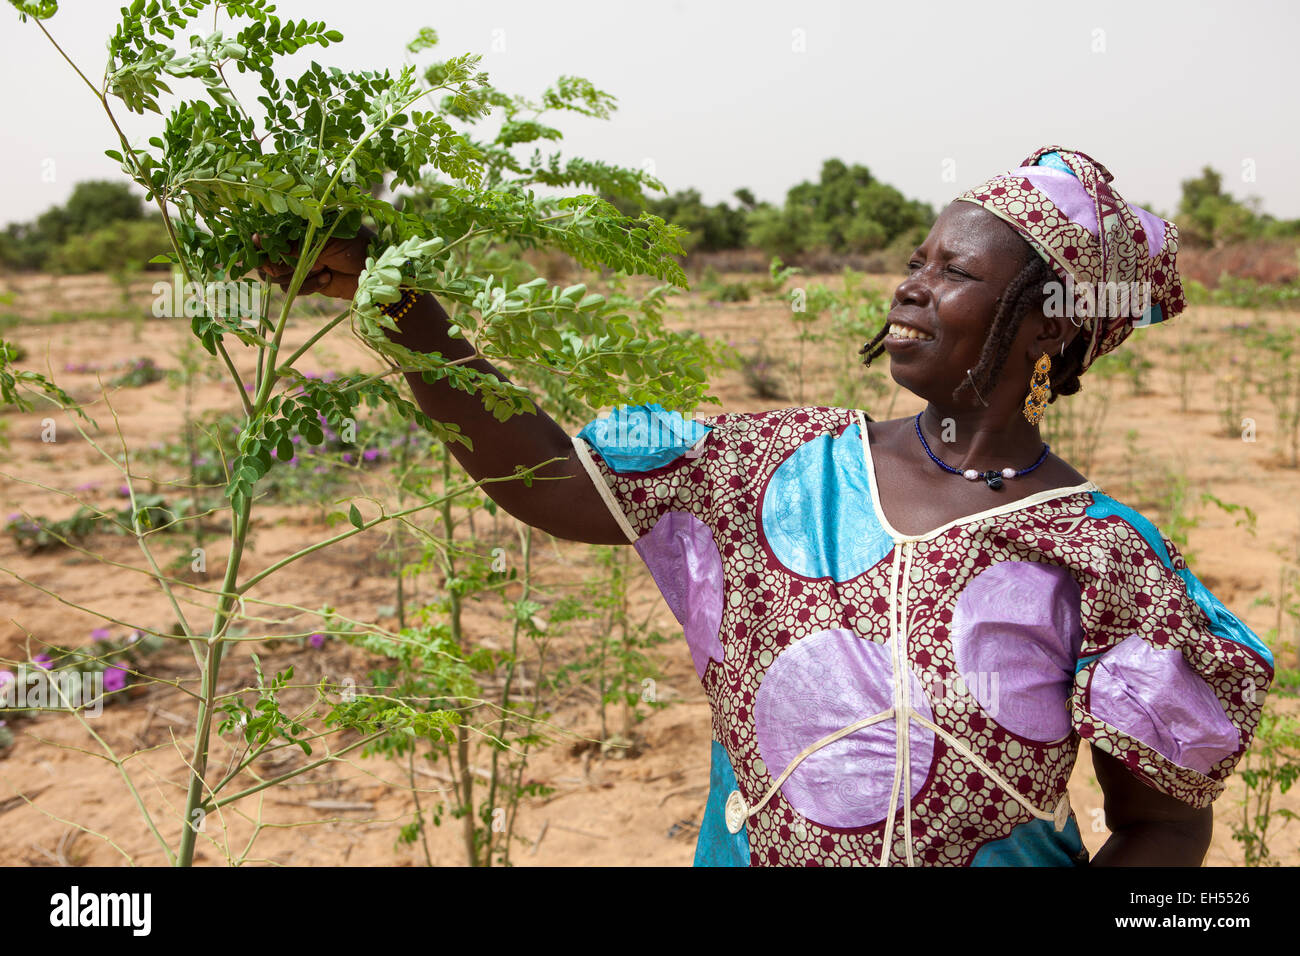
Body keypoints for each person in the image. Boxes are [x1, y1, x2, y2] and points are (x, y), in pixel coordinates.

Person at [260, 146, 1274, 867]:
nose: (911, 290)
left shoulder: (1098, 557)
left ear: (1048, 326)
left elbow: (1164, 825)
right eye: (915, 263)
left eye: (954, 273)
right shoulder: (775, 469)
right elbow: (554, 479)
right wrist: (398, 303)